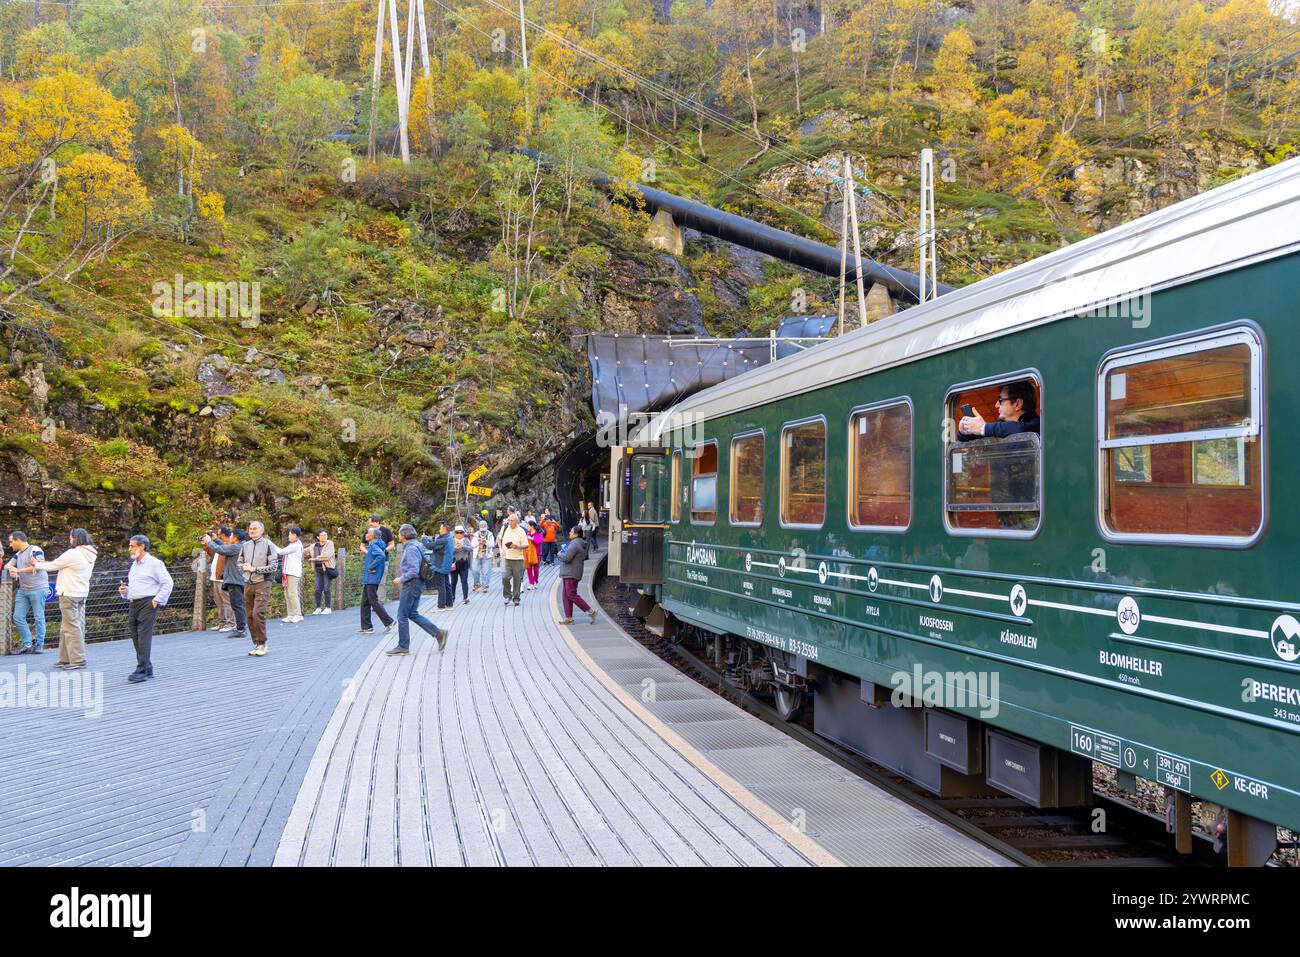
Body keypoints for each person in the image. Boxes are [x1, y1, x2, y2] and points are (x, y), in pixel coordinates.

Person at [31, 528, 98, 670]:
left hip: (68, 593)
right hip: (81, 592)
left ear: (75, 538)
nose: (69, 539)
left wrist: (36, 564)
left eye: (71, 537)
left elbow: (53, 565)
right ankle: (64, 659)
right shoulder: (91, 553)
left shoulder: (73, 553)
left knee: (71, 627)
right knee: (70, 626)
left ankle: (78, 660)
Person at [118, 534, 173, 683]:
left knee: (143, 636)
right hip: (134, 602)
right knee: (135, 635)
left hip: (148, 602)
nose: (129, 549)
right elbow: (139, 586)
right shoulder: (134, 565)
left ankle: (141, 669)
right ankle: (147, 668)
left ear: (141, 547)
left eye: (132, 546)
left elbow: (167, 583)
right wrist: (126, 591)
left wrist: (156, 600)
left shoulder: (154, 563)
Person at [388, 524, 448, 656]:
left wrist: (401, 579)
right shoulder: (417, 545)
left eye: (399, 533)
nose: (398, 535)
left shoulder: (410, 549)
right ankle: (439, 633)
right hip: (418, 584)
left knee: (402, 615)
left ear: (404, 535)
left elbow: (414, 570)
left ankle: (403, 646)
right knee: (412, 613)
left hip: (411, 584)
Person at [239, 520, 279, 657]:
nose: (252, 531)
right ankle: (256, 644)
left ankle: (262, 643)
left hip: (263, 582)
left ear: (262, 530)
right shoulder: (245, 545)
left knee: (258, 613)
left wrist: (255, 569)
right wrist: (244, 568)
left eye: (255, 528)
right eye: (250, 528)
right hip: (248, 583)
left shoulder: (269, 545)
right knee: (249, 616)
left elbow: (274, 566)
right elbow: (239, 563)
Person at [4, 531, 48, 655]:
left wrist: (18, 570)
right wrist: (12, 570)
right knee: (17, 617)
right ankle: (28, 644)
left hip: (38, 588)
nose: (10, 545)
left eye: (11, 541)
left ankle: (39, 644)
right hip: (24, 590)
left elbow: (39, 565)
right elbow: (7, 565)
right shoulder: (18, 554)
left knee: (38, 617)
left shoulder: (35, 549)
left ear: (18, 540)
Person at [202, 528, 248, 640]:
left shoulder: (236, 547)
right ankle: (240, 627)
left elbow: (221, 549)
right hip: (237, 579)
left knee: (237, 605)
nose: (230, 537)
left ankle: (240, 629)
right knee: (238, 604)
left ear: (236, 537)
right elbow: (224, 547)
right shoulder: (240, 546)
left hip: (234, 580)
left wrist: (209, 542)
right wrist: (215, 539)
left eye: (232, 535)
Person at [957, 380, 1040, 440]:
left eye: (1000, 400)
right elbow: (979, 436)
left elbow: (1021, 430)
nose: (996, 405)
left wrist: (982, 427)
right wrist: (964, 431)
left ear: (1017, 404)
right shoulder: (1002, 428)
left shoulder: (1038, 424)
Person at [556, 527, 598, 625]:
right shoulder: (578, 543)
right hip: (570, 572)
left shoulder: (575, 544)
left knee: (571, 594)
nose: (569, 533)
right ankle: (569, 618)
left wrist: (559, 554)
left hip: (571, 572)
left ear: (576, 534)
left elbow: (567, 558)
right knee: (566, 596)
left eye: (571, 531)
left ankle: (591, 612)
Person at [358, 528, 395, 636]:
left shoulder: (374, 545)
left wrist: (371, 566)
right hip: (370, 577)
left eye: (368, 533)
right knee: (365, 602)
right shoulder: (376, 544)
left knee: (373, 601)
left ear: (373, 535)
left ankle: (390, 622)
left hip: (372, 577)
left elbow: (381, 556)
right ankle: (367, 627)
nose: (366, 534)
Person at [204, 527, 235, 632]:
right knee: (218, 602)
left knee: (227, 602)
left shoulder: (228, 546)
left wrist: (213, 541)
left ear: (224, 535)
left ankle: (230, 623)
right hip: (215, 578)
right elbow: (210, 552)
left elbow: (222, 548)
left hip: (223, 579)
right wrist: (206, 543)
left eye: (219, 534)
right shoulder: (218, 546)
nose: (216, 535)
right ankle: (221, 623)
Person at [275, 527, 305, 623]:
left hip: (293, 572)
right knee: (287, 594)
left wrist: (270, 544)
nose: (288, 536)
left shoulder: (296, 545)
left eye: (290, 534)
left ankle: (298, 614)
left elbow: (281, 551)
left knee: (292, 593)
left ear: (294, 535)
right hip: (287, 572)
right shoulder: (292, 544)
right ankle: (291, 614)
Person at [497, 514, 529, 606]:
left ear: (516, 521)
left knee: (517, 579)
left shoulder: (521, 531)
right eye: (509, 520)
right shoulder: (505, 527)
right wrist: (500, 549)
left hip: (518, 558)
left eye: (511, 520)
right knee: (505, 577)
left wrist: (517, 546)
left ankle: (516, 598)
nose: (509, 522)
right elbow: (499, 539)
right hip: (506, 557)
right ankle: (507, 595)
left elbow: (526, 545)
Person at [308, 529, 336, 614]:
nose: (325, 536)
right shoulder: (313, 546)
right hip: (317, 569)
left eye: (325, 535)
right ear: (318, 537)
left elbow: (327, 556)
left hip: (327, 569)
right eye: (322, 535)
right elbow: (305, 551)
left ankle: (328, 607)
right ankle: (318, 607)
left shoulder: (330, 543)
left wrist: (314, 558)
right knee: (317, 589)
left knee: (326, 588)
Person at [367, 515, 395, 602]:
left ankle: (380, 602)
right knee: (371, 583)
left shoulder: (386, 531)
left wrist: (384, 550)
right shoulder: (368, 532)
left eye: (370, 521)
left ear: (376, 522)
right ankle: (372, 601)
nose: (369, 523)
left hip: (384, 561)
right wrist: (368, 552)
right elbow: (362, 545)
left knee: (382, 582)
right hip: (371, 562)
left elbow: (392, 544)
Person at [429, 523, 453, 609]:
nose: (439, 530)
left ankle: (441, 606)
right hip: (446, 565)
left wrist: (424, 539)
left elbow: (430, 546)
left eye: (440, 529)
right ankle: (449, 604)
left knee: (441, 586)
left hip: (440, 566)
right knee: (447, 585)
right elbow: (436, 547)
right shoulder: (449, 538)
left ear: (444, 530)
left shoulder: (444, 539)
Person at [470, 519, 495, 594]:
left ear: (487, 527)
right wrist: (478, 541)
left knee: (486, 571)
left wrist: (485, 542)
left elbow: (492, 545)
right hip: (476, 555)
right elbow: (472, 545)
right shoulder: (476, 534)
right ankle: (477, 583)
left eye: (484, 528)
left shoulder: (490, 534)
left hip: (486, 555)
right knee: (475, 570)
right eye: (481, 528)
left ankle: (485, 585)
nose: (483, 530)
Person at [450, 525, 472, 604]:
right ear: (454, 533)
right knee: (453, 581)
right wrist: (455, 548)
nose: (459, 534)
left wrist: (463, 546)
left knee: (464, 580)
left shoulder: (466, 540)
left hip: (464, 562)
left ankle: (465, 597)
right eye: (457, 532)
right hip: (454, 563)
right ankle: (452, 597)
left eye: (461, 532)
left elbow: (471, 549)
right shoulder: (451, 540)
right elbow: (448, 551)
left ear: (463, 533)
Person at [525, 519, 543, 590]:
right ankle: (531, 583)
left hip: (537, 554)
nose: (527, 527)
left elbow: (539, 541)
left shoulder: (538, 533)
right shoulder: (528, 533)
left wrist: (531, 538)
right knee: (528, 569)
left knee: (535, 570)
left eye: (528, 526)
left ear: (532, 526)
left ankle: (536, 582)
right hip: (528, 554)